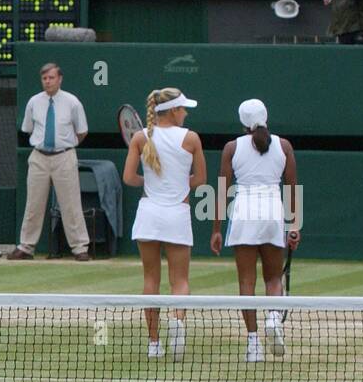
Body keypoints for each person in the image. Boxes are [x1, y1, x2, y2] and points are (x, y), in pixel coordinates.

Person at [211, 100, 300, 363]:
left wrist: (216, 230)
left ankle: (253, 344)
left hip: (244, 216)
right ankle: (273, 318)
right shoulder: (284, 146)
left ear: (242, 123)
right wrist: (294, 225)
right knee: (273, 279)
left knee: (246, 283)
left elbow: (222, 191)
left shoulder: (231, 148)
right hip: (272, 213)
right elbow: (293, 188)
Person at [123, 88, 205, 360]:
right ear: (172, 111)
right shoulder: (191, 138)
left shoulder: (139, 137)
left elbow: (129, 178)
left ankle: (154, 344)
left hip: (149, 214)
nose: (186, 113)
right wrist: (178, 186)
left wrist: (151, 184)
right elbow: (200, 180)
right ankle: (178, 322)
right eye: (183, 109)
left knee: (150, 279)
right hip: (176, 214)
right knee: (179, 280)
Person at [12, 62, 90, 261]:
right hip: (39, 157)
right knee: (33, 204)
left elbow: (82, 131)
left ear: (60, 79)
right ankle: (26, 247)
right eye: (44, 78)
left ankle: (80, 248)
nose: (47, 82)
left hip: (64, 156)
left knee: (71, 203)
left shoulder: (73, 102)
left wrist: (65, 145)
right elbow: (28, 128)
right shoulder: (33, 102)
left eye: (51, 78)